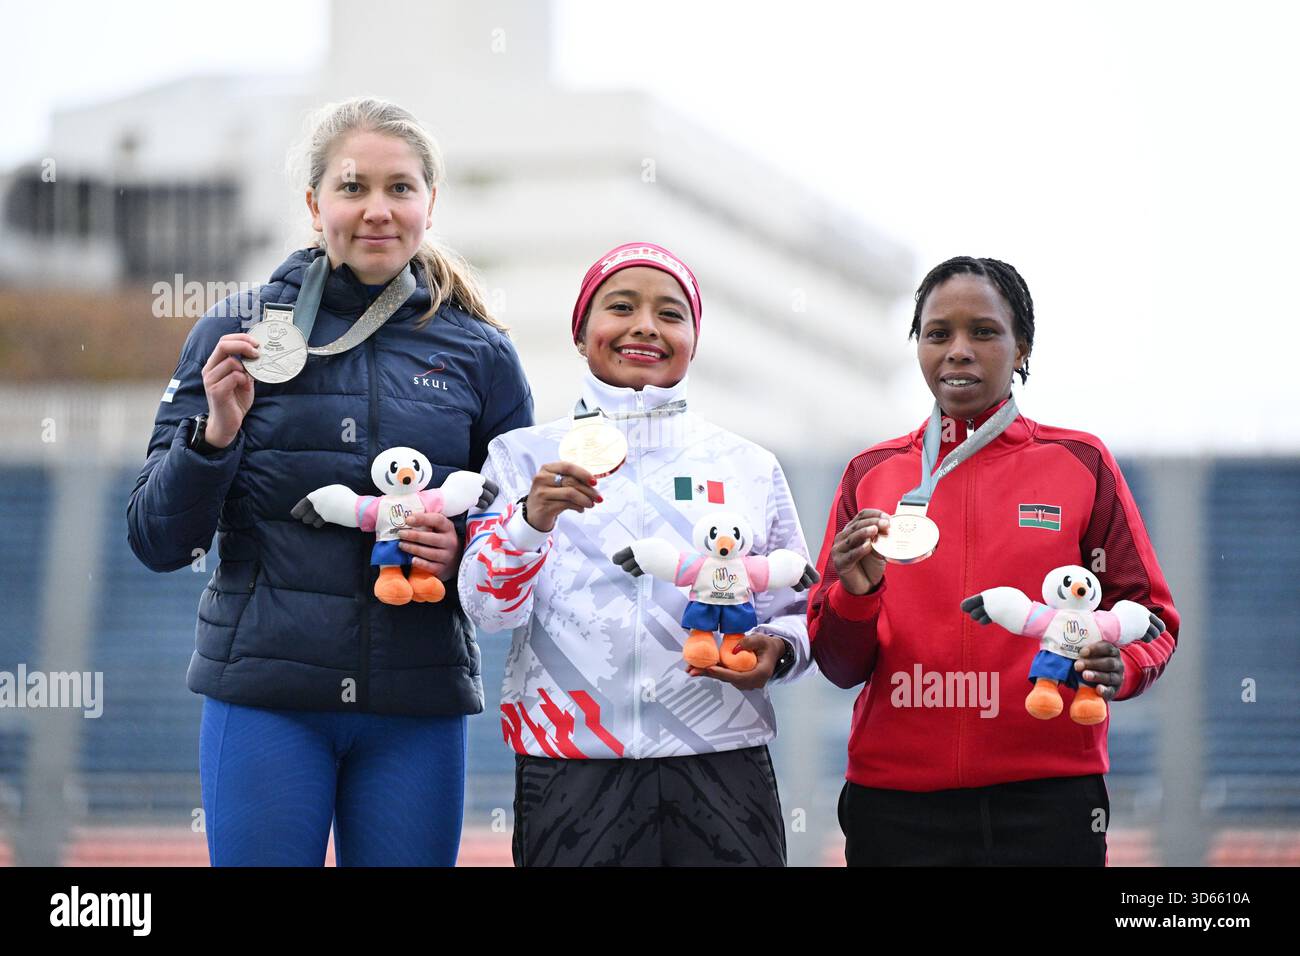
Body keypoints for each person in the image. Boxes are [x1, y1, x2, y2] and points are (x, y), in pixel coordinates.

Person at [127, 97, 533, 866]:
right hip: (267, 702)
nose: (377, 210)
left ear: (430, 204)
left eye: (400, 189)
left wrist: (464, 548)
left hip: (416, 705)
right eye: (353, 188)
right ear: (315, 204)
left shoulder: (484, 355)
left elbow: (518, 537)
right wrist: (214, 435)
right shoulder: (235, 332)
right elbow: (155, 538)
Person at [808, 256, 1179, 866]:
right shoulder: (870, 474)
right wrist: (854, 595)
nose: (958, 350)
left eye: (983, 331)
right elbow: (840, 665)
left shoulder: (1080, 462)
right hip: (896, 804)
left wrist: (1126, 664)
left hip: (1049, 800)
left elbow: (1152, 616)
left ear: (1021, 348)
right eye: (938, 334)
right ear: (919, 347)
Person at [457, 242, 818, 866]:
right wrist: (528, 523)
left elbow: (800, 604)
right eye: (621, 306)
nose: (645, 325)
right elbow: (486, 610)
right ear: (582, 332)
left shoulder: (749, 465)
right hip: (568, 765)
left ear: (693, 340)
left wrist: (780, 651)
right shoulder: (520, 456)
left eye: (671, 314)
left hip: (722, 761)